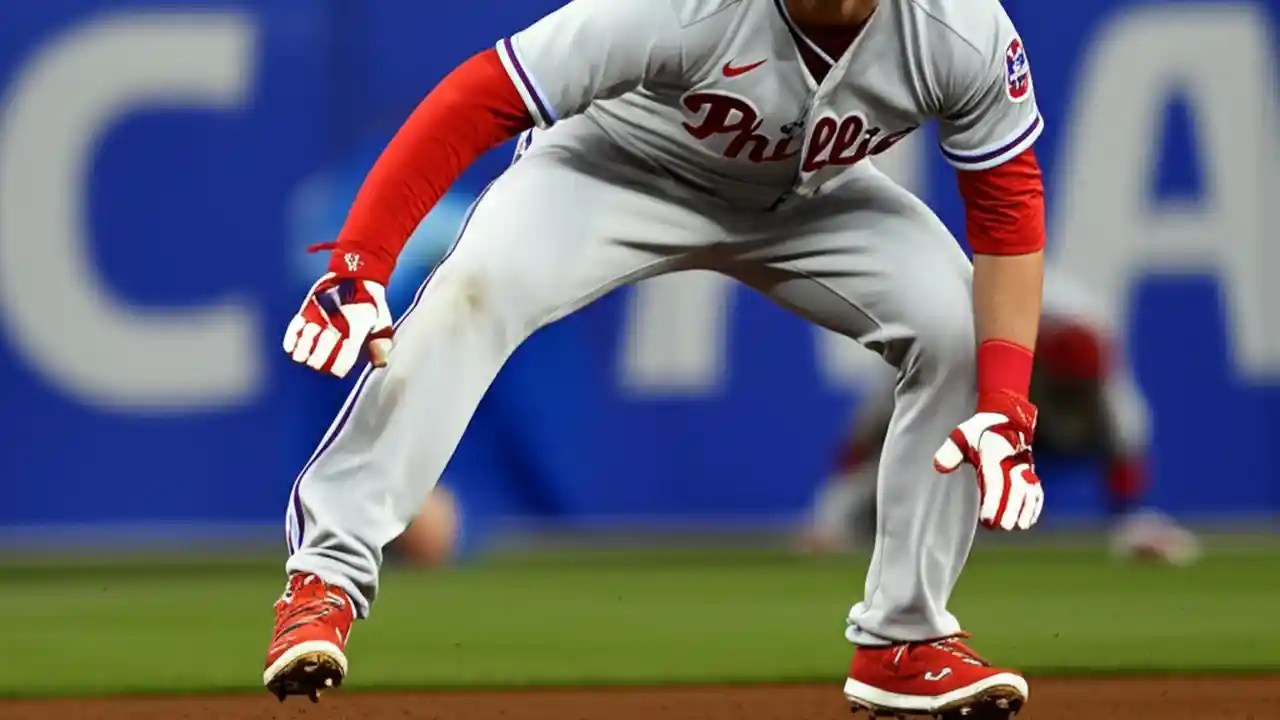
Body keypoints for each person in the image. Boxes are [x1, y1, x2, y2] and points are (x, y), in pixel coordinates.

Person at [265, 0, 1049, 716]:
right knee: (474, 288)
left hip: (813, 201)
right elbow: (485, 91)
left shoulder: (960, 27)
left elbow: (1008, 210)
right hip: (612, 168)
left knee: (958, 330)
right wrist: (360, 262)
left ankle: (903, 641)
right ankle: (324, 578)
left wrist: (1007, 404)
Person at [801, 270, 1202, 565]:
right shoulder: (968, 325)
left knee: (1090, 440)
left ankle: (1137, 525)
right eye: (1066, 387)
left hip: (1025, 390)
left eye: (1077, 387)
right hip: (979, 381)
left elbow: (1126, 437)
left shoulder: (1091, 342)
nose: (1072, 394)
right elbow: (877, 415)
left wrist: (1130, 514)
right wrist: (840, 492)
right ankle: (834, 524)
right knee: (912, 442)